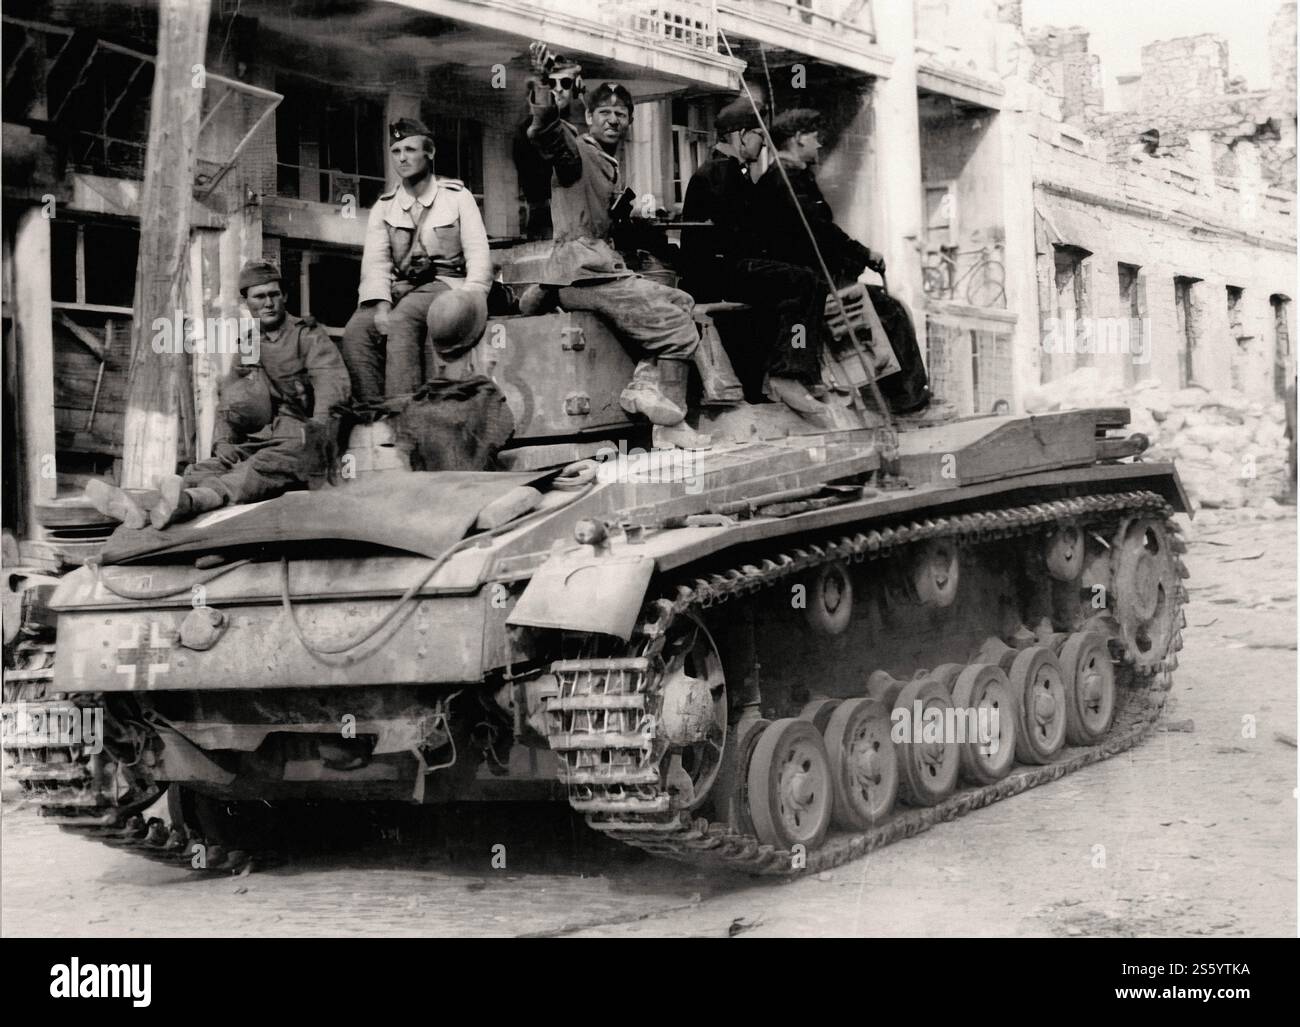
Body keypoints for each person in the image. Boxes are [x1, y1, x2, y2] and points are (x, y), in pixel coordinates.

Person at [85, 260, 351, 530]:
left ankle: (191, 501)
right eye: (260, 297)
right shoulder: (250, 343)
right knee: (213, 464)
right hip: (267, 436)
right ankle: (139, 504)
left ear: (284, 297)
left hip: (305, 438)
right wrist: (223, 441)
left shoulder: (308, 336)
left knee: (259, 467)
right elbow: (232, 395)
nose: (269, 303)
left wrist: (318, 437)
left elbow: (332, 387)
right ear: (247, 303)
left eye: (274, 294)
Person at [523, 41, 700, 439]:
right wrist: (549, 93)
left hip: (600, 269)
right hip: (581, 273)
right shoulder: (578, 153)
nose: (613, 120)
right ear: (588, 116)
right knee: (678, 328)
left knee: (682, 300)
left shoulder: (609, 163)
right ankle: (671, 424)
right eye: (604, 113)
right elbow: (547, 132)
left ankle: (642, 383)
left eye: (621, 114)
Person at [679, 97, 832, 422]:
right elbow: (740, 237)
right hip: (719, 272)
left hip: (724, 268)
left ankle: (786, 374)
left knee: (799, 279)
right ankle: (786, 373)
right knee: (804, 281)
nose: (763, 145)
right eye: (759, 137)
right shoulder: (722, 173)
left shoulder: (728, 171)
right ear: (741, 135)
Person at [339, 117, 491, 404]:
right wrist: (381, 306)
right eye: (396, 151)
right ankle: (374, 414)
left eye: (410, 149)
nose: (402, 158)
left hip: (450, 286)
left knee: (404, 317)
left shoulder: (457, 197)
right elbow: (376, 265)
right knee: (357, 331)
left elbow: (478, 253)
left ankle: (404, 412)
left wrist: (471, 299)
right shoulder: (384, 207)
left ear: (429, 152)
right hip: (404, 289)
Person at [752, 108, 885, 288]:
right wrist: (864, 254)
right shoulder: (786, 179)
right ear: (798, 138)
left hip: (809, 275)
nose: (818, 145)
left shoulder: (791, 175)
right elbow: (819, 230)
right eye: (815, 138)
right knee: (888, 309)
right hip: (804, 282)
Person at [512, 56, 585, 240]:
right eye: (551, 83)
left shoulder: (576, 128)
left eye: (566, 83)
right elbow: (543, 130)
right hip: (549, 227)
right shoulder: (532, 129)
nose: (559, 88)